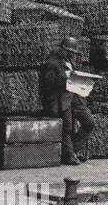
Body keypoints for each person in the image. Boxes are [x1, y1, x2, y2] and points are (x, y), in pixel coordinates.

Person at [39, 37, 92, 165]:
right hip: (60, 99)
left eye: (73, 52)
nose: (72, 54)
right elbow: (48, 83)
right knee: (67, 128)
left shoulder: (69, 62)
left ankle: (72, 150)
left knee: (89, 122)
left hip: (74, 98)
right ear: (63, 49)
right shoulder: (52, 63)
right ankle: (69, 156)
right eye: (70, 52)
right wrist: (65, 78)